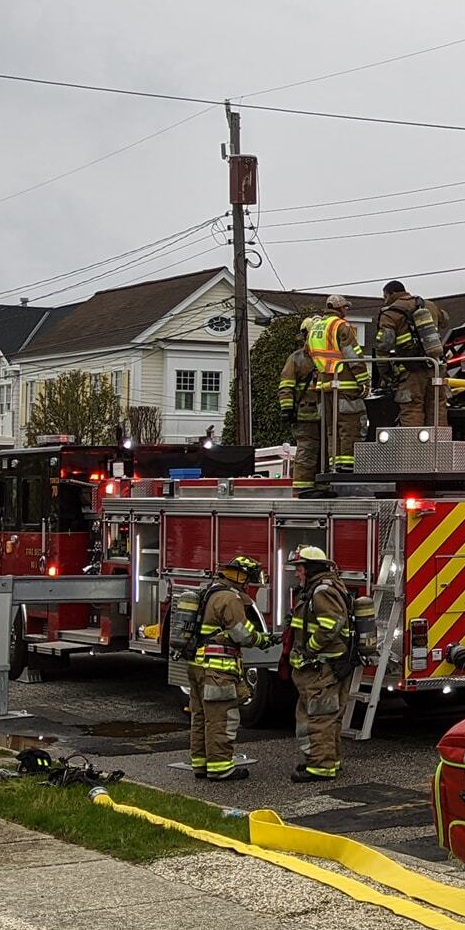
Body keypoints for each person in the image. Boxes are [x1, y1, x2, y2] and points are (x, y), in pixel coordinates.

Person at [187, 556, 273, 782]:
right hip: (218, 670)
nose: (248, 585)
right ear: (240, 576)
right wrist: (263, 640)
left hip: (198, 666)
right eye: (248, 579)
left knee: (201, 718)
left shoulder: (209, 593)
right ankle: (221, 768)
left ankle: (201, 765)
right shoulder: (230, 598)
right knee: (221, 719)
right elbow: (242, 634)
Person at [286, 545, 352, 782]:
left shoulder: (321, 592)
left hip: (321, 668)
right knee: (327, 715)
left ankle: (321, 767)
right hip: (325, 667)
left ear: (311, 569)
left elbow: (332, 624)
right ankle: (328, 761)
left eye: (300, 568)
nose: (297, 574)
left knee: (319, 717)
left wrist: (309, 648)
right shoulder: (322, 588)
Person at [304, 294, 365, 479]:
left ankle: (335, 464)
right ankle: (347, 466)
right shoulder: (340, 326)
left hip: (324, 386)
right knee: (349, 426)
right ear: (339, 308)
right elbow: (352, 356)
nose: (346, 311)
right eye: (345, 308)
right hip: (344, 384)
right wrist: (363, 381)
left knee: (332, 428)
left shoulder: (315, 328)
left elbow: (311, 354)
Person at [374, 280, 446, 428]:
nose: (385, 301)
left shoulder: (390, 313)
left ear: (391, 293)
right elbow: (445, 320)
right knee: (437, 408)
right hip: (436, 367)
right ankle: (439, 447)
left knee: (412, 408)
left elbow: (384, 345)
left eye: (385, 297)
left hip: (411, 371)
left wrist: (383, 370)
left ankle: (414, 448)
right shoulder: (429, 305)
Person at [277, 331, 324, 498]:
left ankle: (322, 487)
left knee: (324, 453)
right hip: (304, 415)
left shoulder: (327, 356)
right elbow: (286, 386)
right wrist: (287, 409)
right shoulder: (296, 359)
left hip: (325, 417)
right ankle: (302, 489)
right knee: (307, 450)